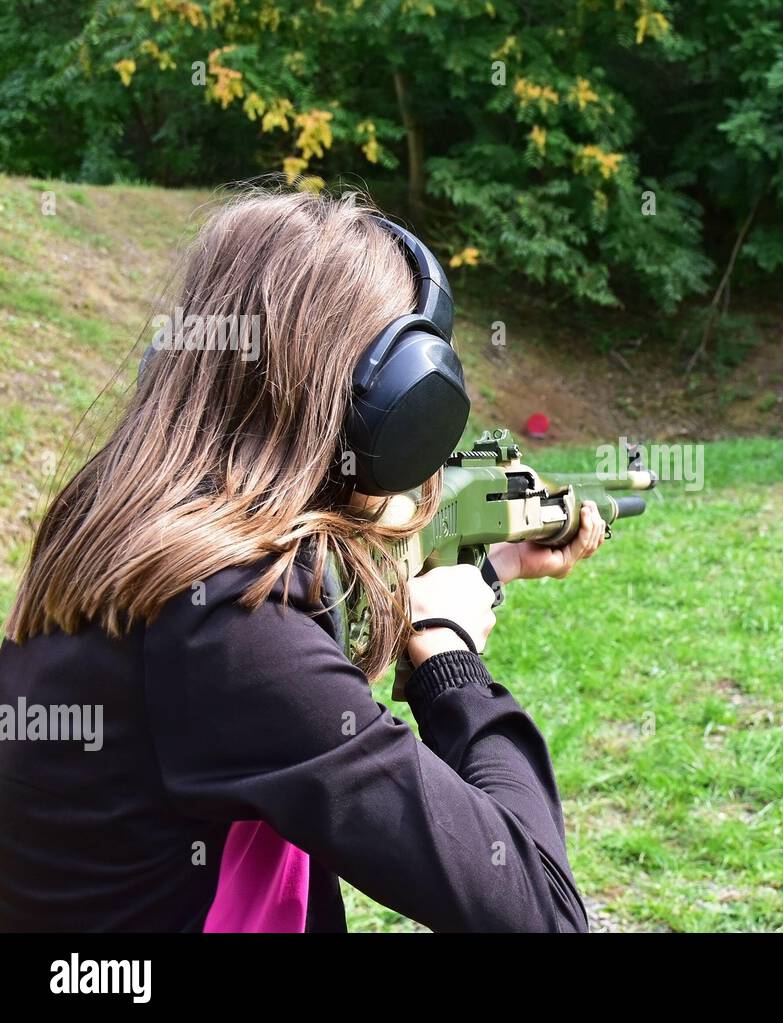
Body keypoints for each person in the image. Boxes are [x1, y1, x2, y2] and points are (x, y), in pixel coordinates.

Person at [0, 189, 601, 932]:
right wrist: (449, 655)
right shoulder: (231, 634)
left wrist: (491, 565)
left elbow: (308, 630)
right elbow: (541, 912)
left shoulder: (127, 530)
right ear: (395, 405)